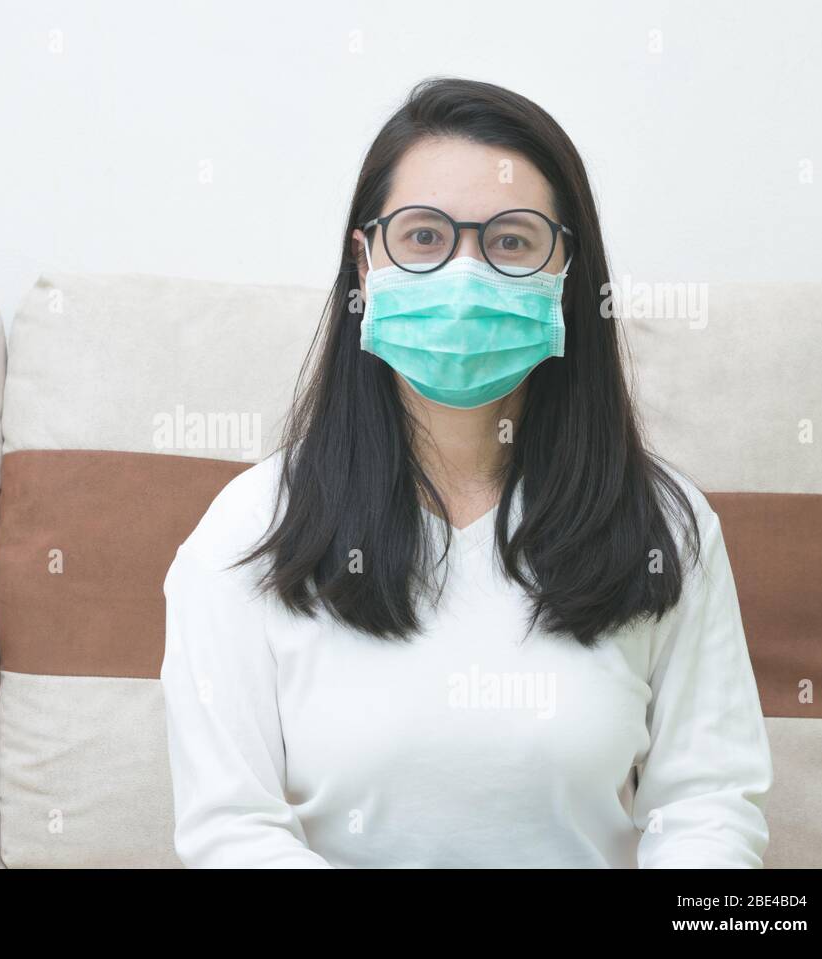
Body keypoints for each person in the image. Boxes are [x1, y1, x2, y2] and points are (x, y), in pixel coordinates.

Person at [159, 77, 772, 868]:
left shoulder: (664, 527)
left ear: (567, 270)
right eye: (424, 237)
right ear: (363, 262)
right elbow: (230, 831)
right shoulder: (249, 532)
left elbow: (708, 805)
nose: (464, 274)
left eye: (510, 240)